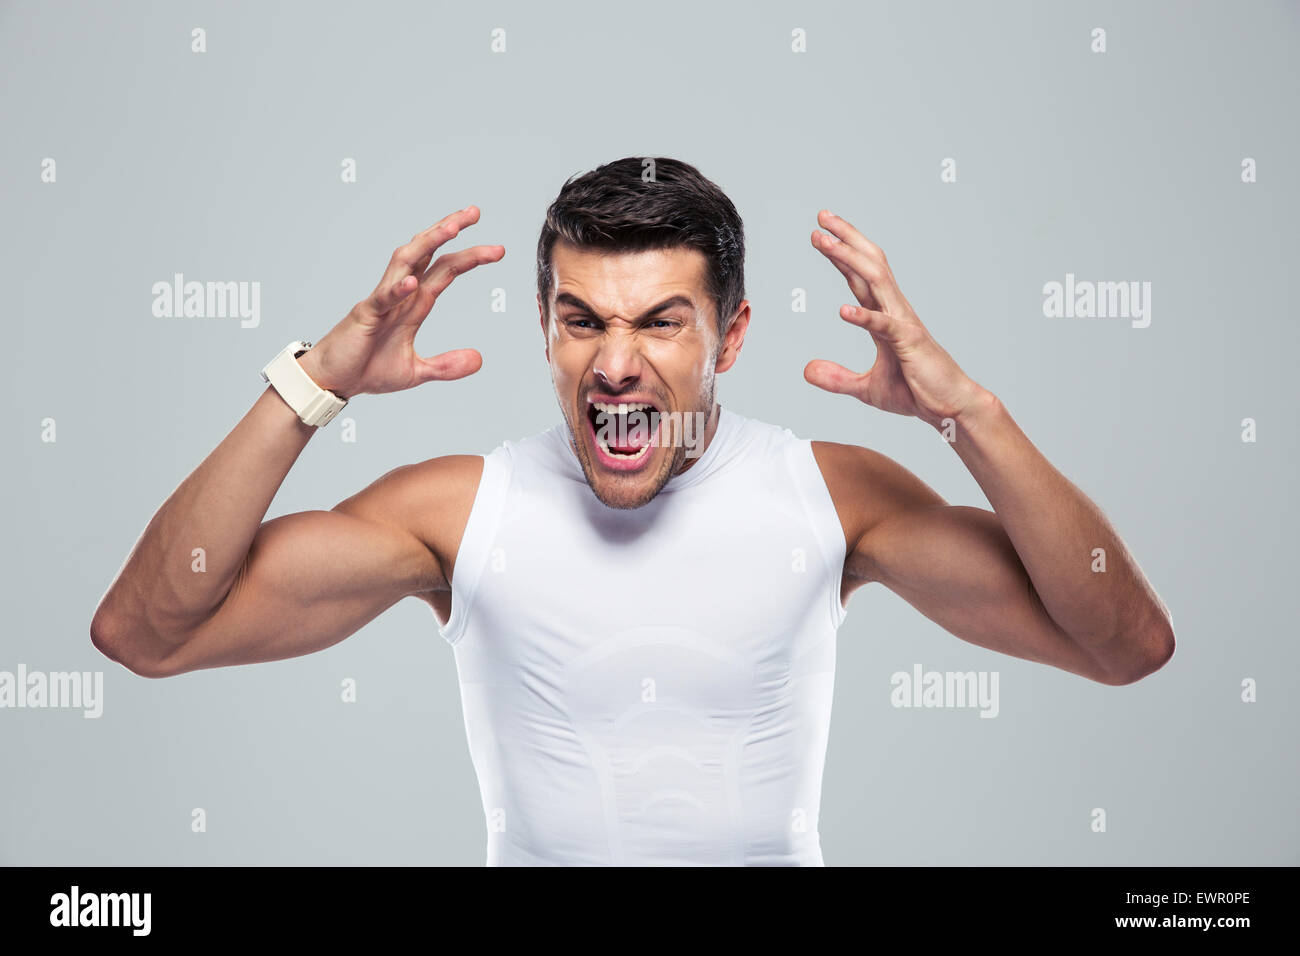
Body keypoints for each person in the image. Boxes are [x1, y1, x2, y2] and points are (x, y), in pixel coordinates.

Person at [90, 157, 1175, 866]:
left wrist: (966, 413)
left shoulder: (829, 495)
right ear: (545, 328)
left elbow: (1122, 643)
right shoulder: (462, 510)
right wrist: (312, 382)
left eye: (660, 323)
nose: (615, 364)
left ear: (730, 336)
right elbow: (146, 629)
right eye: (580, 322)